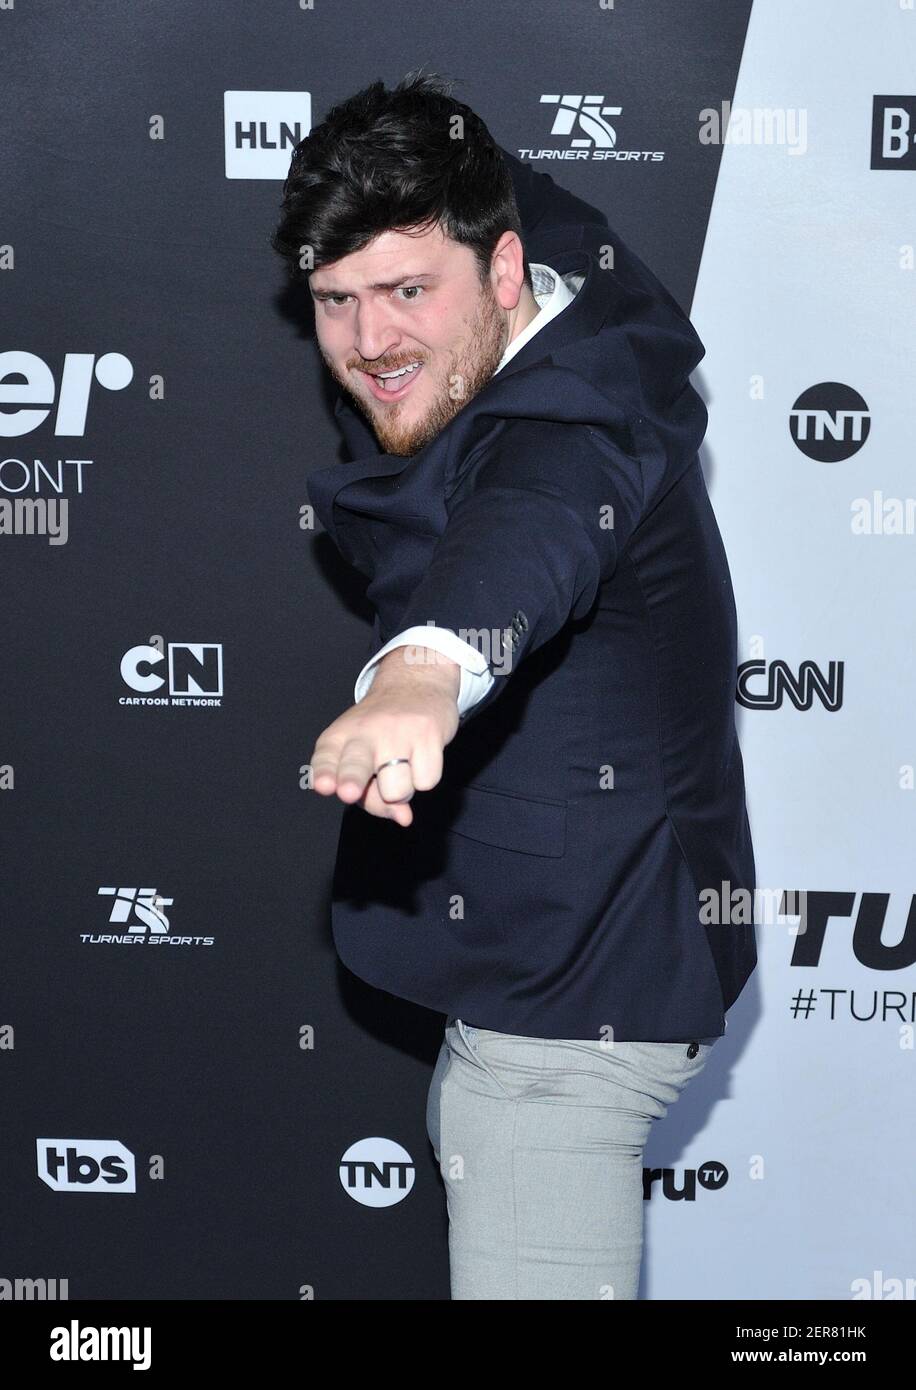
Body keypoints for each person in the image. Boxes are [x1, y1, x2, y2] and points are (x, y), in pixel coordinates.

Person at [272, 70, 757, 1300]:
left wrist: (425, 669)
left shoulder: (570, 423)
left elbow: (526, 532)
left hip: (582, 994)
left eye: (404, 294)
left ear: (501, 273)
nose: (371, 342)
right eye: (335, 302)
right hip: (538, 961)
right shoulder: (539, 252)